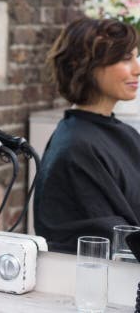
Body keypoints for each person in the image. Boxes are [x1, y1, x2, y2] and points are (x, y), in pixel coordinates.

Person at [34, 18, 140, 253]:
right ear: (85, 65)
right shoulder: (75, 148)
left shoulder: (125, 134)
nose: (137, 68)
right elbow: (115, 240)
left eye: (136, 56)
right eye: (125, 58)